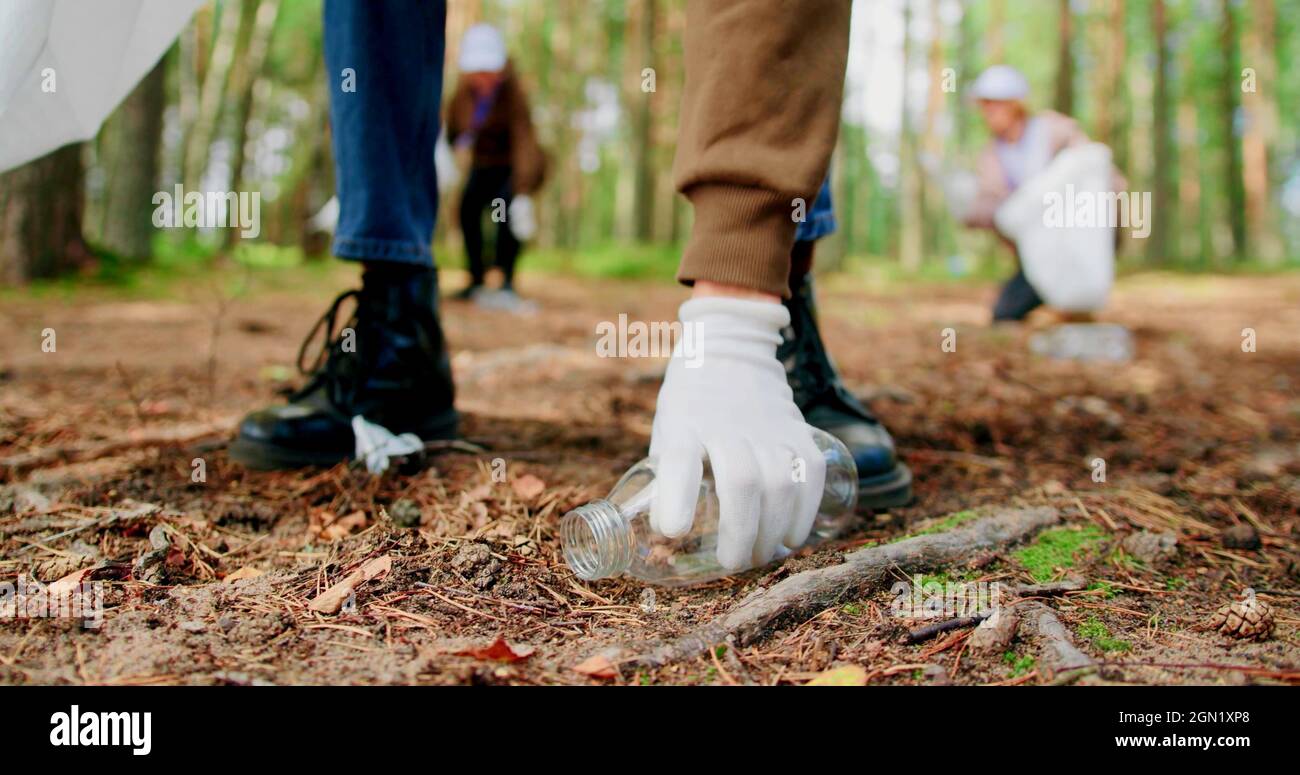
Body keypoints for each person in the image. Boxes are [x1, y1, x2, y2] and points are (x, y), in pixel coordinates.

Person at [233, 0, 884, 573]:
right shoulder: (467, 89)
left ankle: (781, 311)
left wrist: (737, 313)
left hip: (511, 175)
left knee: (504, 225)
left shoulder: (511, 94)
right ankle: (395, 326)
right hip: (474, 175)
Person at [961, 65, 1126, 322]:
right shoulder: (992, 156)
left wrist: (1113, 227)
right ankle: (1054, 301)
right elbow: (992, 206)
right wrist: (974, 213)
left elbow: (1094, 171)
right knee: (1004, 313)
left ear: (1015, 105)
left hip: (1072, 235)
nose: (988, 113)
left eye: (995, 104)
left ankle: (1076, 307)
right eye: (985, 106)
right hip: (1036, 251)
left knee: (1078, 291)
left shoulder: (1053, 131)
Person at [445, 24, 545, 309]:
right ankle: (476, 278)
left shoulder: (513, 92)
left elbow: (524, 138)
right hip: (480, 165)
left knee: (505, 216)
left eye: (488, 71)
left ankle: (506, 280)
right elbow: (451, 128)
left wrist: (523, 189)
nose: (483, 78)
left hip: (509, 166)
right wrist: (444, 152)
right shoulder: (464, 93)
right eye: (477, 72)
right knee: (467, 211)